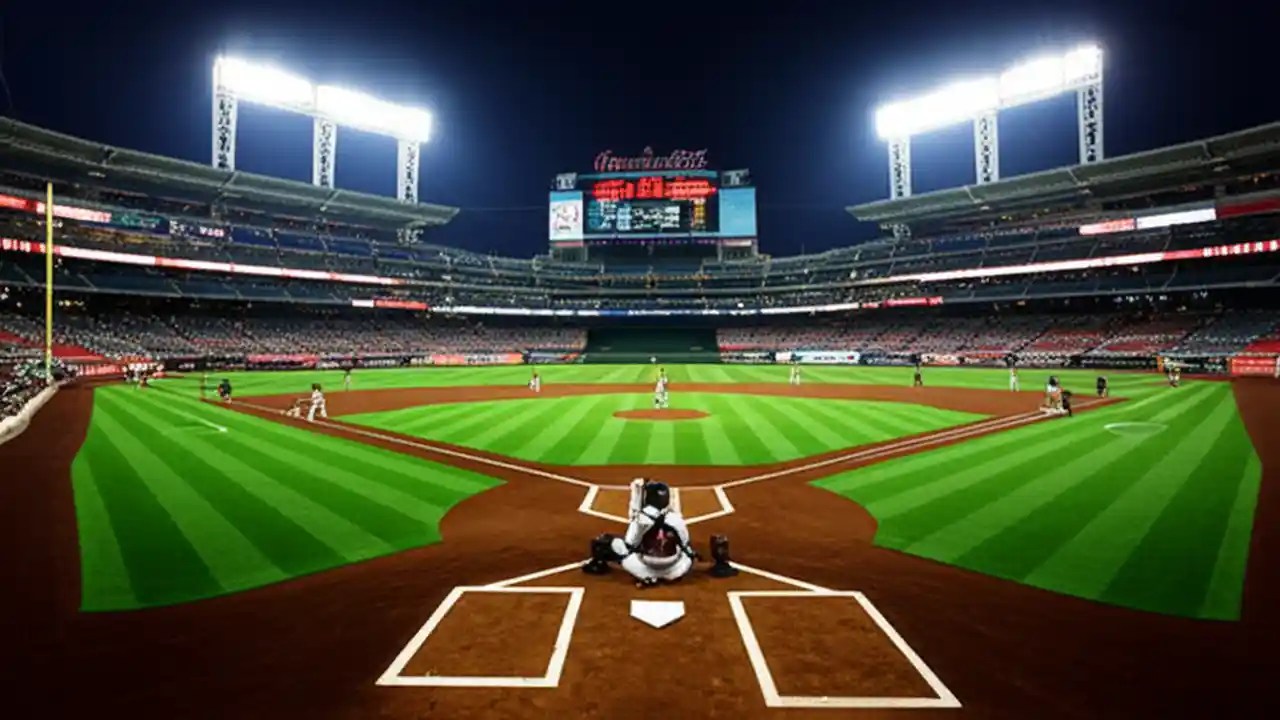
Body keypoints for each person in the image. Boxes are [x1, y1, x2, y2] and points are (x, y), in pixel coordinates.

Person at [611, 480, 695, 588]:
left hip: (644, 566)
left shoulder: (641, 518)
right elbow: (685, 541)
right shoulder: (676, 518)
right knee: (688, 551)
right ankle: (670, 575)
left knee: (617, 545)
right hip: (673, 568)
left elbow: (630, 543)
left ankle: (647, 576)